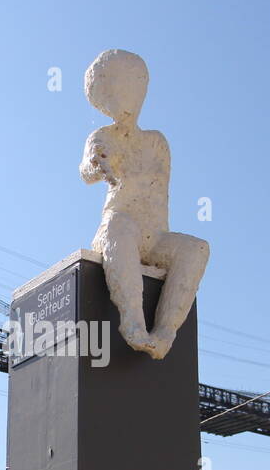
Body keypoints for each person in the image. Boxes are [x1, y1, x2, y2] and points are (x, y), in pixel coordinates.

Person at [81, 49, 208, 360]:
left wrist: (123, 169)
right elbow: (87, 170)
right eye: (119, 87)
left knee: (196, 248)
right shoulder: (102, 136)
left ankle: (165, 333)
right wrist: (98, 165)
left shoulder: (156, 141)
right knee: (119, 228)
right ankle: (134, 324)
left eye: (134, 86)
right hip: (120, 227)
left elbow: (156, 184)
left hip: (156, 237)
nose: (129, 96)